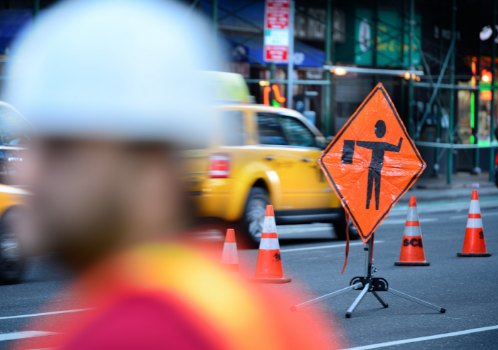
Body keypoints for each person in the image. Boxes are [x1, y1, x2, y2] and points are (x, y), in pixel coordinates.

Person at [4, 1, 343, 349]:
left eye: (61, 150)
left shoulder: (127, 333)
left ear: (147, 163)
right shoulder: (263, 313)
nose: (29, 169)